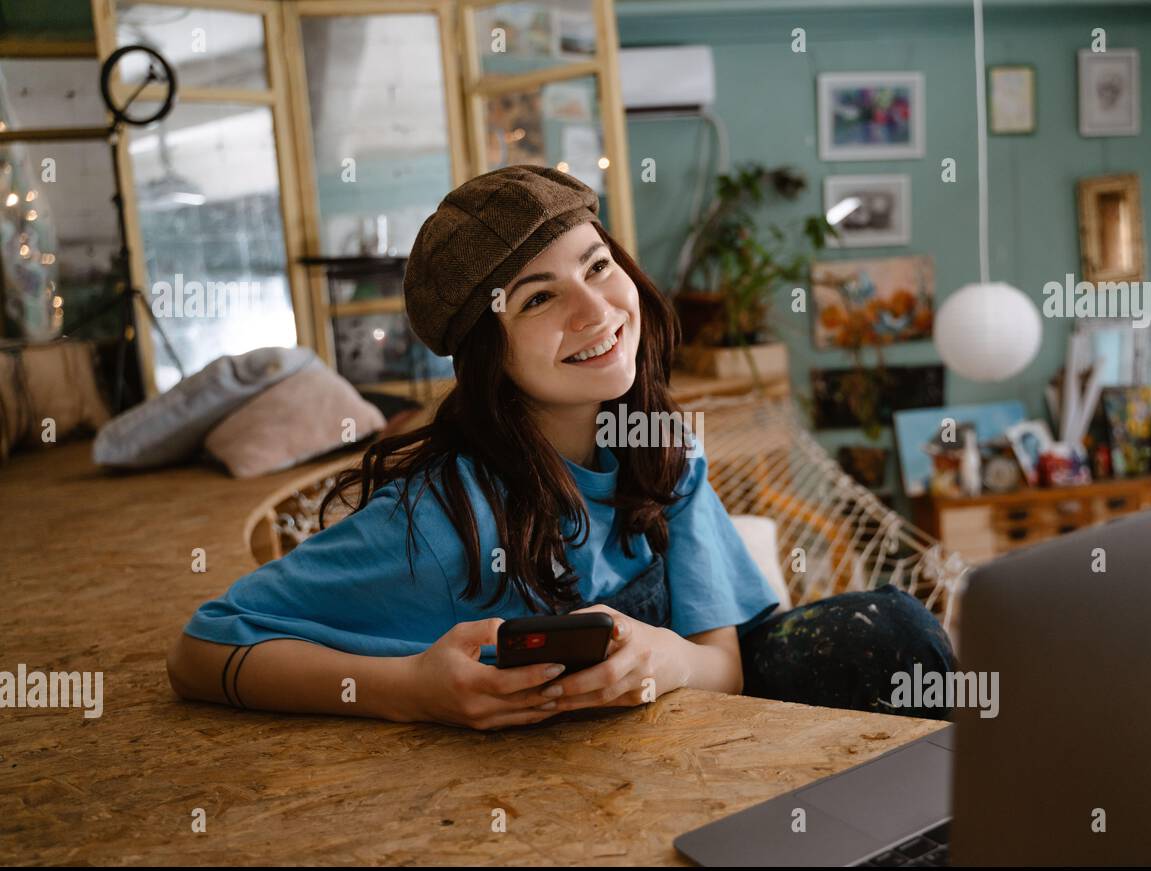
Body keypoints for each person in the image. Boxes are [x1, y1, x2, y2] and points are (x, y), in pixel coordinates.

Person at [167, 165, 956, 731]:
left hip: (689, 750)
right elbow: (202, 649)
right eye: (540, 298)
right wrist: (410, 688)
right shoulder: (441, 518)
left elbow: (724, 664)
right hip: (551, 805)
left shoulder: (659, 452)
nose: (595, 309)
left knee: (892, 627)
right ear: (488, 354)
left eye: (598, 266)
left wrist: (662, 658)